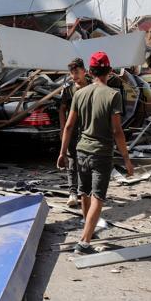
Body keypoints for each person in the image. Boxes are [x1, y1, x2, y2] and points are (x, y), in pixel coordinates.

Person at [57, 51, 135, 255]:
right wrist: (126, 159)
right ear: (109, 71)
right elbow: (117, 131)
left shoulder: (79, 94)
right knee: (98, 197)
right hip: (101, 153)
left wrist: (62, 152)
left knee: (84, 193)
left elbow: (68, 126)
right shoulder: (113, 95)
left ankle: (87, 232)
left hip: (81, 150)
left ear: (90, 72)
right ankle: (83, 242)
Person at [58, 57, 89, 208]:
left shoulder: (92, 87)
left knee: (86, 161)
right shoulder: (68, 88)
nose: (74, 75)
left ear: (84, 71)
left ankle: (85, 192)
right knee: (71, 161)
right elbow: (62, 109)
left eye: (77, 72)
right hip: (72, 129)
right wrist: (63, 129)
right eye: (72, 73)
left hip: (88, 130)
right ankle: (72, 193)